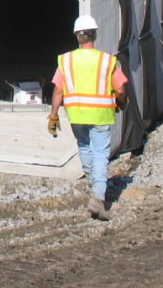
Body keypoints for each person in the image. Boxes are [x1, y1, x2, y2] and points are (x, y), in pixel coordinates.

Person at [47, 15, 129, 221]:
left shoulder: (66, 60)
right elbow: (119, 90)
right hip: (101, 114)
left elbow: (58, 90)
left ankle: (93, 186)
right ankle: (98, 198)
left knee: (84, 147)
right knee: (100, 153)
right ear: (95, 34)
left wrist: (53, 114)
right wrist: (122, 103)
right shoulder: (106, 61)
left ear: (77, 36)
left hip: (76, 114)